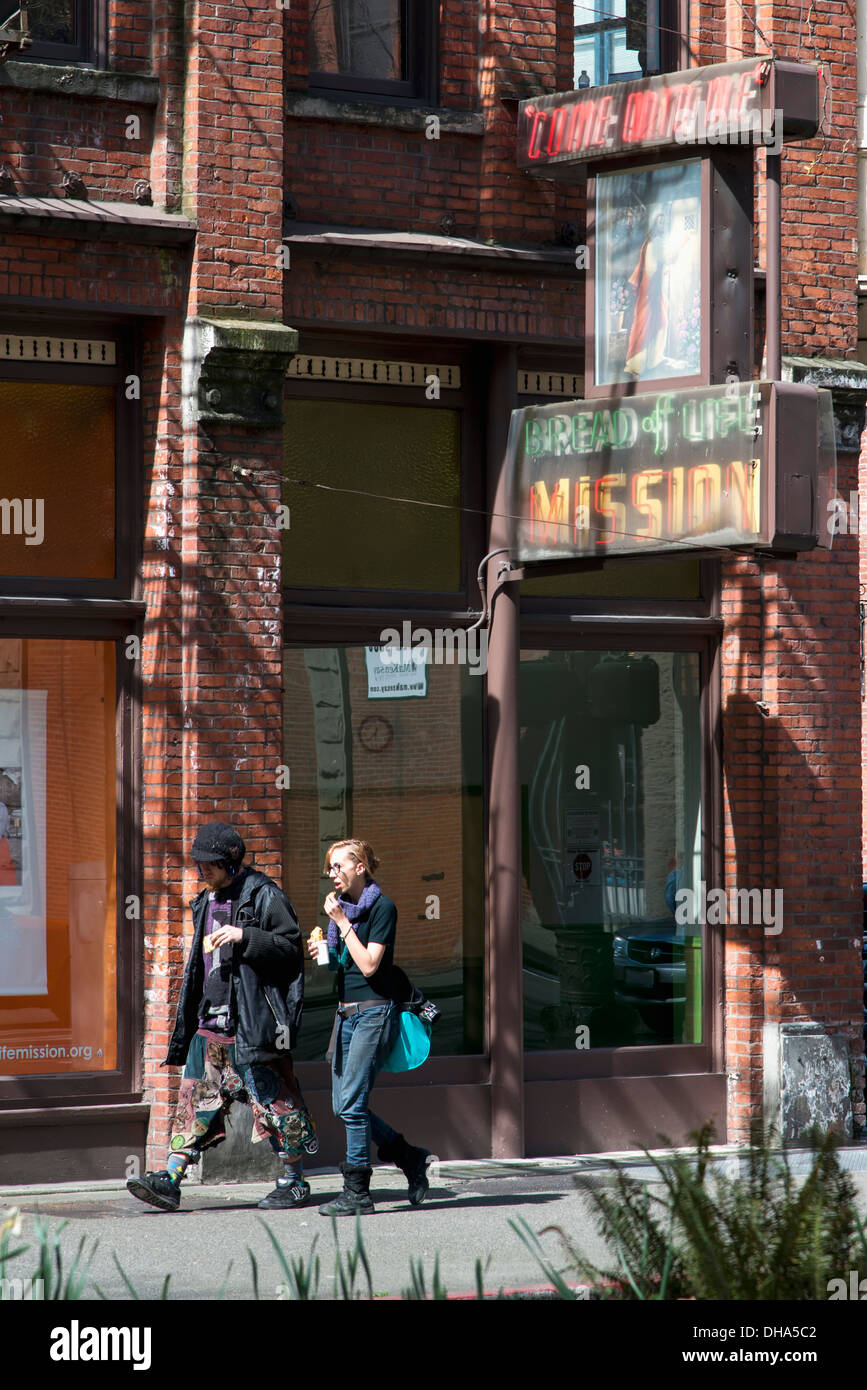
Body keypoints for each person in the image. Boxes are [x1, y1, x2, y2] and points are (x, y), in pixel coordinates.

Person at [127, 822, 317, 1212]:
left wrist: (244, 936)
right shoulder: (205, 900)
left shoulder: (265, 896)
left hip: (251, 1027)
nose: (202, 871)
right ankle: (170, 1179)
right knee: (193, 1104)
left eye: (209, 864)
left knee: (276, 1105)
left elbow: (289, 948)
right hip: (208, 1027)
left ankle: (294, 1181)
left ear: (230, 862)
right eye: (199, 864)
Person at [309, 837, 431, 1216]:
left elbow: (370, 965)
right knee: (341, 1104)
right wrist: (325, 954)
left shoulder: (382, 909)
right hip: (345, 1014)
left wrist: (342, 924)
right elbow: (346, 966)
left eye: (339, 866)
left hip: (374, 1013)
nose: (333, 874)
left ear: (360, 867)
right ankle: (409, 1157)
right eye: (330, 868)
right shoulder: (343, 911)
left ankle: (358, 1190)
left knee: (354, 1103)